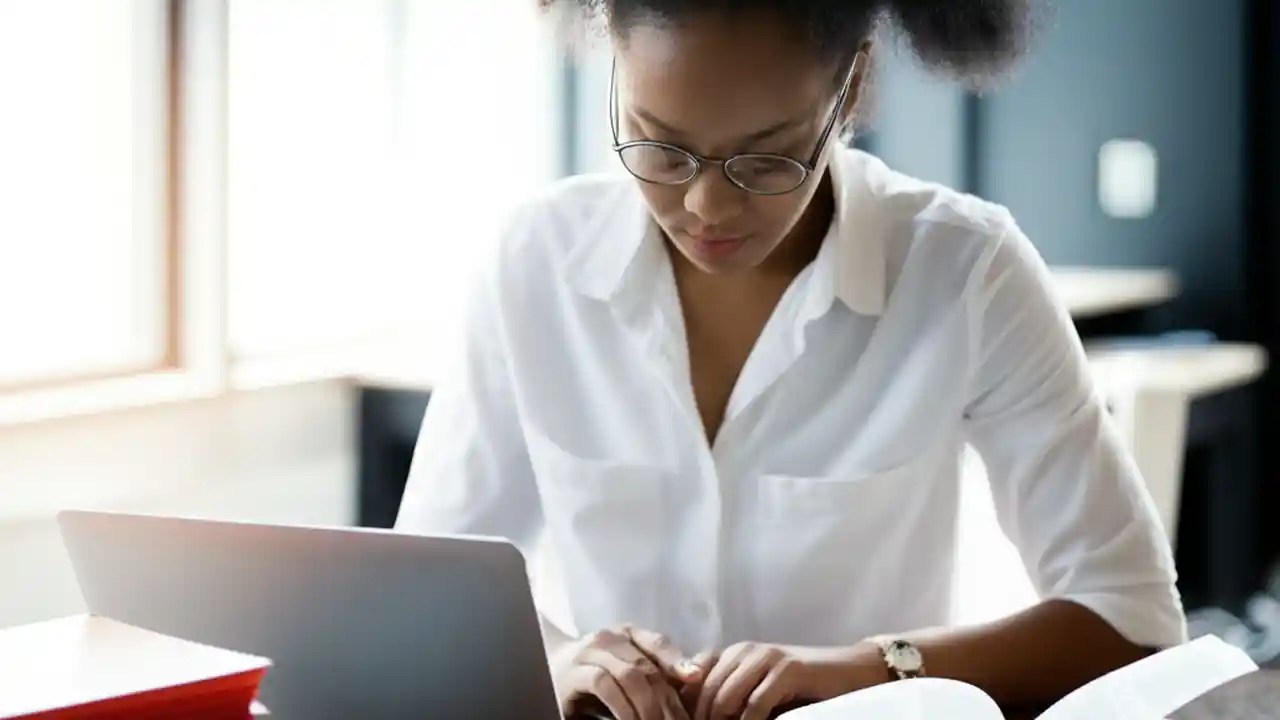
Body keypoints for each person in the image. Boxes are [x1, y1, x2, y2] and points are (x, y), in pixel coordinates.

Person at [395, 1, 1187, 718]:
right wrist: (564, 659)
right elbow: (424, 592)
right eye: (661, 147)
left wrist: (872, 668)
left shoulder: (964, 270)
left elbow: (1132, 620)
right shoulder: (534, 261)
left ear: (853, 87)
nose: (706, 207)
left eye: (766, 160)